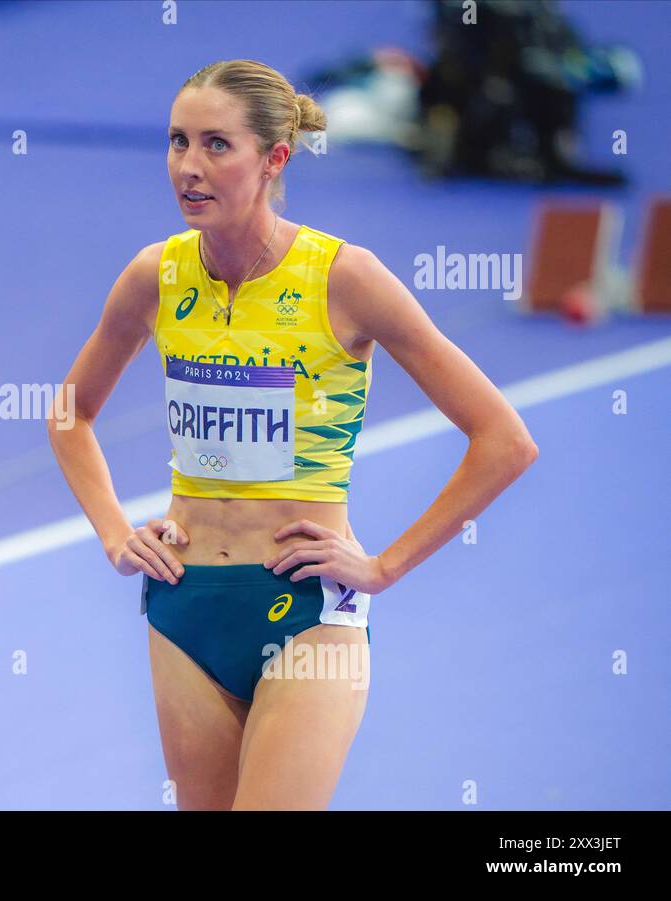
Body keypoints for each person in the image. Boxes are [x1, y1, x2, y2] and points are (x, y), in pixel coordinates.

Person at [46, 59, 538, 810]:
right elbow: (69, 414)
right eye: (178, 141)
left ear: (275, 158)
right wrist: (116, 534)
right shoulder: (156, 276)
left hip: (306, 612)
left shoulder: (348, 278)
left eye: (217, 145)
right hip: (184, 610)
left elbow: (503, 439)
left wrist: (385, 565)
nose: (188, 166)